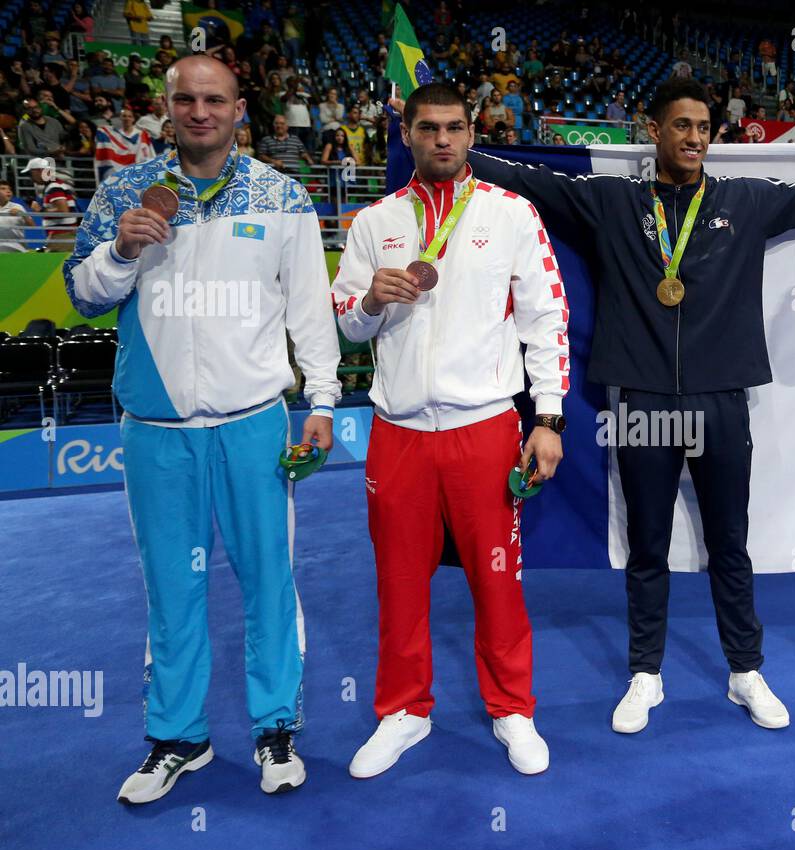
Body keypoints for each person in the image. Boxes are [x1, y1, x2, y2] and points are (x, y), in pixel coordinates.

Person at [444, 77, 795, 735]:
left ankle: (745, 669)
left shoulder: (745, 200)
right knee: (649, 546)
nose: (693, 137)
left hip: (722, 400)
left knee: (730, 544)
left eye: (702, 127)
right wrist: (459, 150)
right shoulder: (610, 201)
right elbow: (533, 179)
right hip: (644, 403)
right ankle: (645, 673)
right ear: (653, 131)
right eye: (680, 125)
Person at [63, 54, 341, 804]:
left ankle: (276, 726)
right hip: (156, 430)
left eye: (213, 99)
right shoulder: (123, 190)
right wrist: (121, 251)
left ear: (239, 107)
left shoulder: (282, 196)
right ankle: (178, 736)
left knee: (269, 581)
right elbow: (81, 294)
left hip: (254, 425)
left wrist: (321, 400)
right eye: (185, 98)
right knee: (171, 589)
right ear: (167, 105)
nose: (199, 111)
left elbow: (310, 311)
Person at [333, 84, 569, 778]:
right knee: (398, 581)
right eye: (429, 128)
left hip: (485, 426)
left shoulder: (512, 213)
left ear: (472, 134)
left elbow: (545, 321)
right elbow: (346, 320)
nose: (443, 139)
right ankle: (403, 710)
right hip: (398, 429)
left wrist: (547, 418)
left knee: (499, 582)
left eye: (455, 128)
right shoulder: (375, 222)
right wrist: (371, 299)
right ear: (405, 133)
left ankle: (513, 707)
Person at [22, 156, 76, 251]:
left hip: (62, 237)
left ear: (39, 171)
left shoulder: (53, 186)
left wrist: (41, 210)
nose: (30, 177)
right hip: (61, 236)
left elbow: (64, 211)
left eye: (31, 173)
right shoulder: (54, 185)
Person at [0, 179, 35, 252]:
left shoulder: (17, 207)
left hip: (17, 249)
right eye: (3, 189)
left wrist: (22, 214)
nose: (8, 191)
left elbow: (32, 226)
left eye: (9, 189)